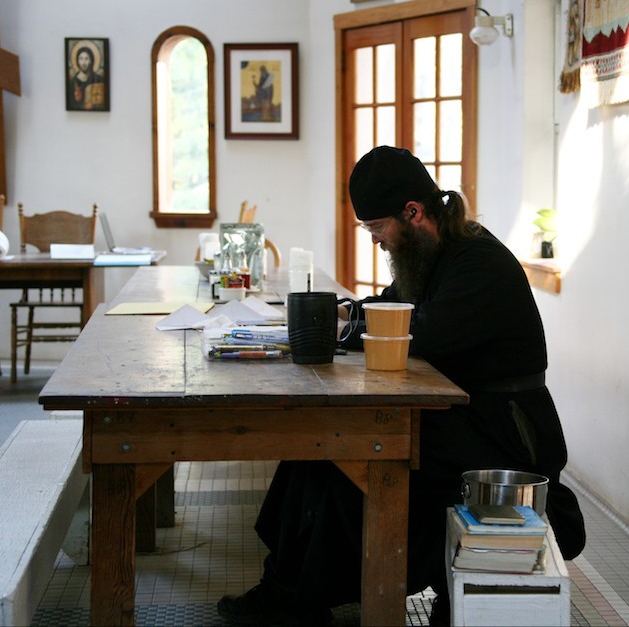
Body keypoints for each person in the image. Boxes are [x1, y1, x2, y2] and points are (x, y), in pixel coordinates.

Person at [217, 146, 586, 626]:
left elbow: (420, 331)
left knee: (352, 446)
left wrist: (343, 330)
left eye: (377, 228)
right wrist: (343, 311)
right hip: (462, 414)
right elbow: (392, 304)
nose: (376, 241)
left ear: (412, 212)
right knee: (317, 436)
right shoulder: (431, 252)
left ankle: (299, 593)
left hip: (502, 430)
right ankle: (289, 587)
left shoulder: (479, 262)